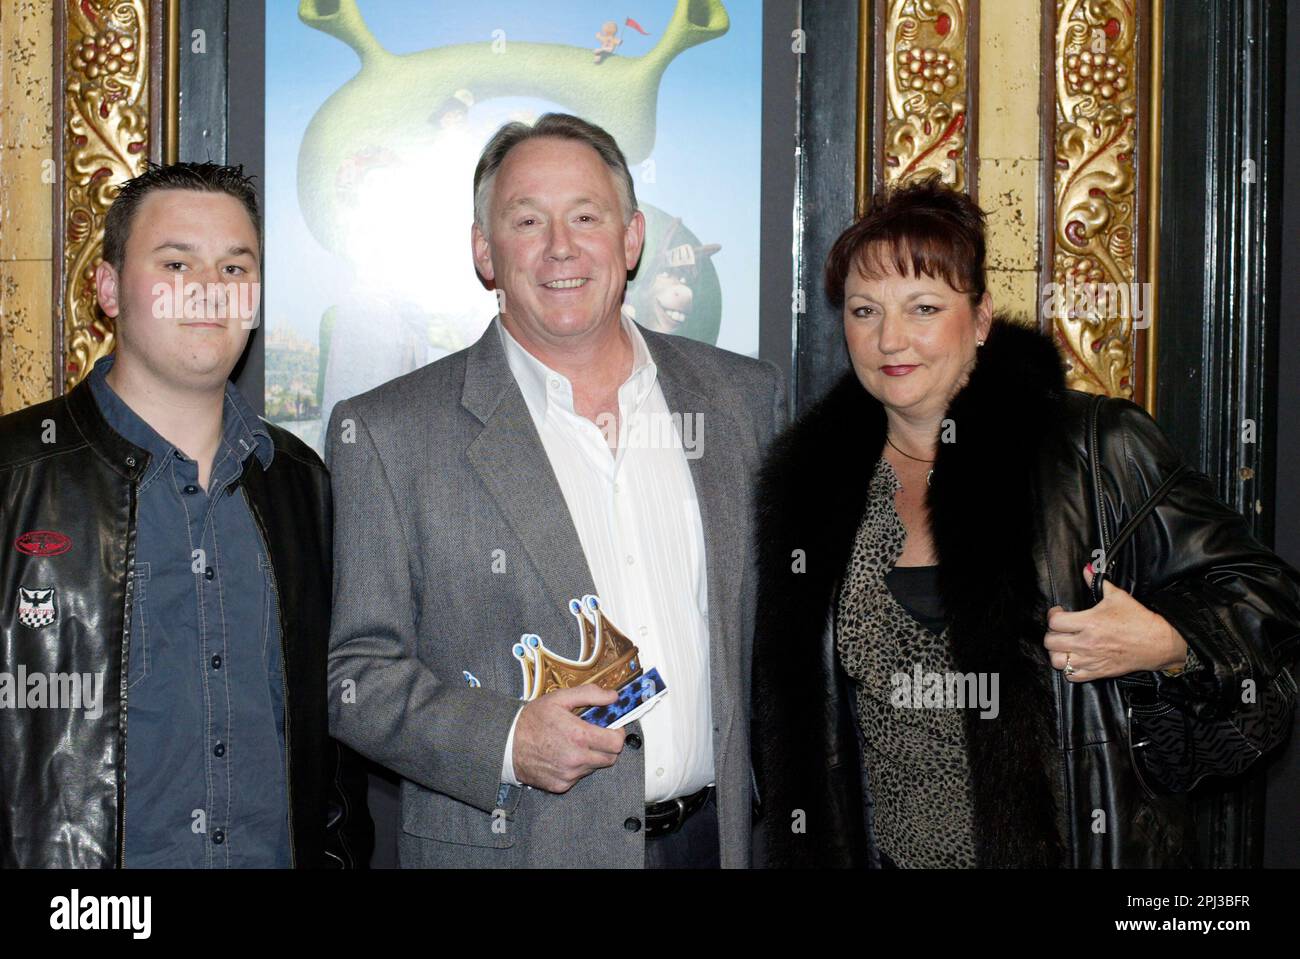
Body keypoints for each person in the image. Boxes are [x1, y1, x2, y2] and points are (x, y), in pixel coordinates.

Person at [750, 178, 1300, 868]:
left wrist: (1168, 640)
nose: (890, 338)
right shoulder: (812, 490)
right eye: (864, 310)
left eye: (923, 307)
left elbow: (1267, 594)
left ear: (979, 318)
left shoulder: (1096, 447)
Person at [326, 113, 784, 868]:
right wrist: (505, 740)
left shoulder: (743, 400)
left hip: (718, 842)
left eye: (585, 216)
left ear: (631, 239)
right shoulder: (388, 433)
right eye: (527, 220)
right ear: (485, 251)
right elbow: (355, 674)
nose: (561, 246)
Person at [0, 162, 371, 868]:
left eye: (235, 267)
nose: (208, 291)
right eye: (176, 262)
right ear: (108, 288)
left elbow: (334, 756)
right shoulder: (16, 476)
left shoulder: (300, 483)